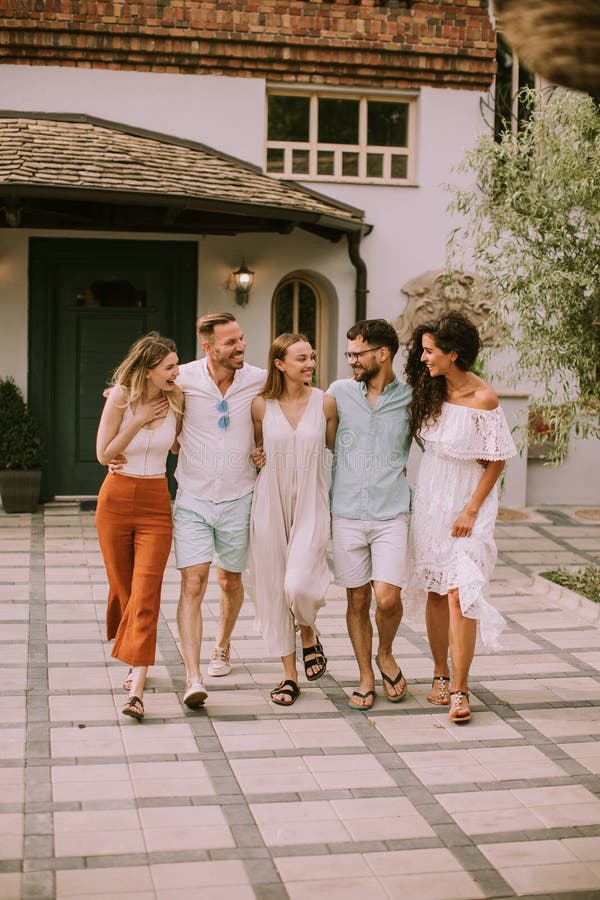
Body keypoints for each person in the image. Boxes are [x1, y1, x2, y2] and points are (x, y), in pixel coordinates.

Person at [405, 312, 516, 724]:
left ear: (453, 354)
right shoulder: (430, 389)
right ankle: (439, 672)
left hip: (469, 501)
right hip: (432, 496)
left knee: (460, 590)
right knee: (436, 590)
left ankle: (460, 687)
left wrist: (471, 509)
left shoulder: (484, 399)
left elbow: (496, 459)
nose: (423, 358)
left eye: (430, 351)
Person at [173, 312, 265, 708]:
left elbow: (298, 397)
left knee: (229, 581)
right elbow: (140, 388)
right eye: (231, 342)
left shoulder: (259, 379)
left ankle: (222, 644)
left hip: (239, 496)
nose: (240, 346)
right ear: (208, 347)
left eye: (241, 338)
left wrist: (266, 445)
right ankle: (192, 676)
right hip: (193, 496)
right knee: (193, 583)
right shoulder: (183, 377)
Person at [95, 332, 183, 721]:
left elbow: (181, 444)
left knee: (146, 594)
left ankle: (137, 688)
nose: (176, 373)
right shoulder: (120, 397)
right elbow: (103, 453)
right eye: (169, 367)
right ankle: (133, 654)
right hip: (115, 500)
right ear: (148, 371)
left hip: (155, 504)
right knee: (125, 588)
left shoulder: (178, 399)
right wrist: (139, 421)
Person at [249, 334, 338, 706]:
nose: (310, 364)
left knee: (299, 585)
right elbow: (257, 449)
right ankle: (289, 675)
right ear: (279, 364)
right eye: (301, 358)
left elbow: (336, 450)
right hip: (270, 502)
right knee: (274, 587)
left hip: (311, 503)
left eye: (312, 357)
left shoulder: (326, 403)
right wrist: (256, 456)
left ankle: (307, 630)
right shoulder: (260, 405)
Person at [328, 319, 412, 711]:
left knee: (388, 598)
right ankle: (365, 675)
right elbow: (306, 430)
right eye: (349, 355)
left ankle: (385, 652)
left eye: (357, 354)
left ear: (382, 353)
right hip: (346, 511)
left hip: (391, 511)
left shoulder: (411, 399)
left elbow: (436, 442)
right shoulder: (339, 393)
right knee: (358, 598)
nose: (351, 361)